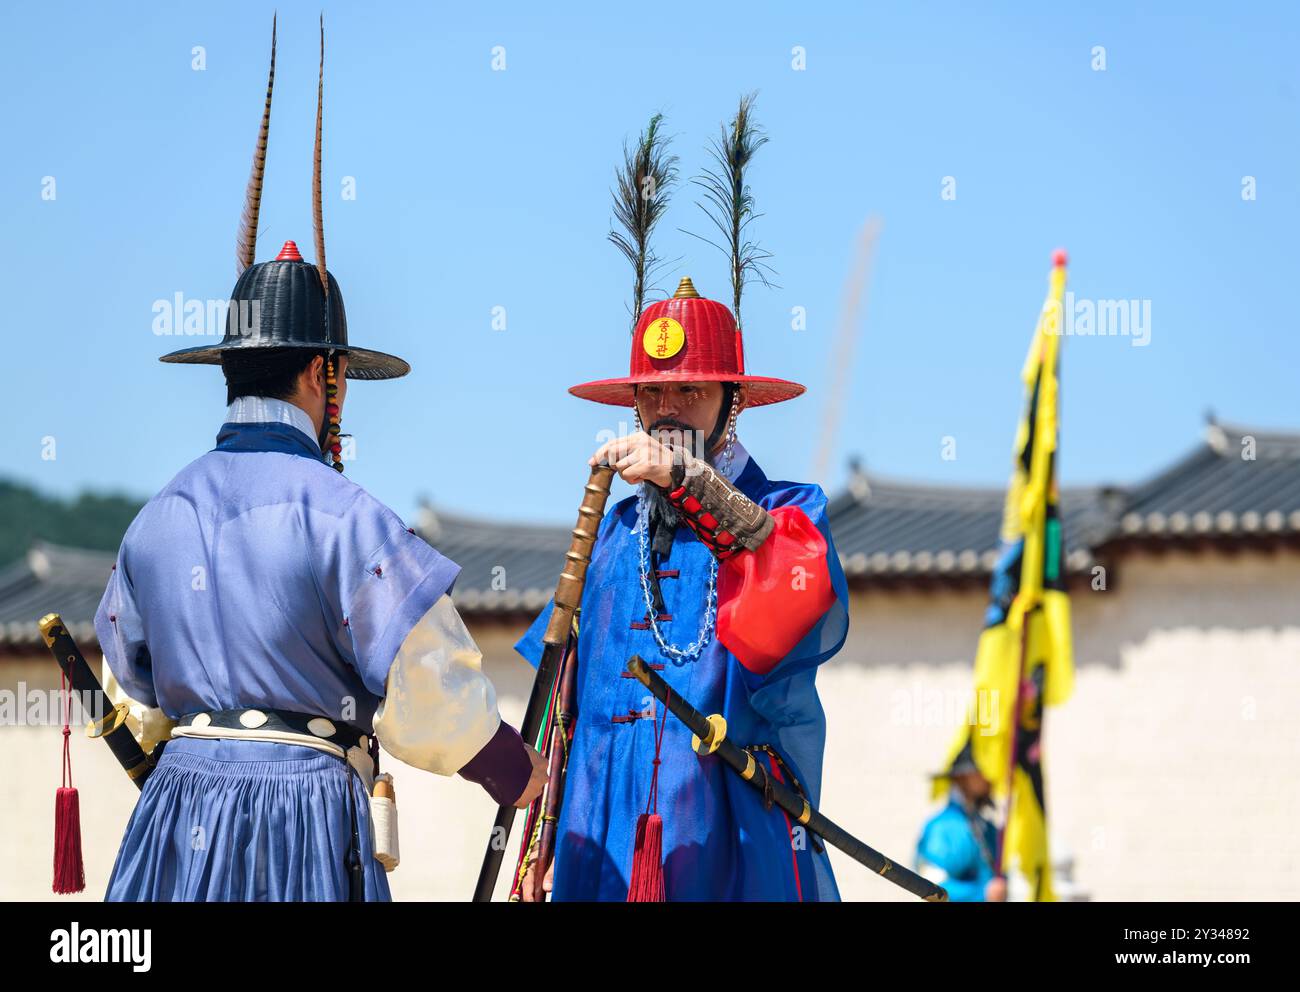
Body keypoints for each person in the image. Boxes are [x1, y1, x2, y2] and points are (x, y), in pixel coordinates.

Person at [93, 19, 544, 902]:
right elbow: (428, 691)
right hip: (299, 818)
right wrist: (509, 768)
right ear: (320, 372)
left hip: (175, 817)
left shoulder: (156, 521)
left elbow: (133, 694)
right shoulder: (344, 516)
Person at [516, 275, 850, 901]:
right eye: (653, 393)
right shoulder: (612, 533)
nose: (668, 407)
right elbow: (561, 704)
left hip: (729, 817)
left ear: (734, 400)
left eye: (690, 388)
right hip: (603, 829)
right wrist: (542, 838)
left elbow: (800, 590)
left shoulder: (788, 512)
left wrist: (690, 480)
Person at [916, 748, 1007, 902]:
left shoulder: (986, 826)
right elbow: (931, 887)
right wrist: (984, 894)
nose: (990, 777)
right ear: (964, 777)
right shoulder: (942, 827)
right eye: (983, 771)